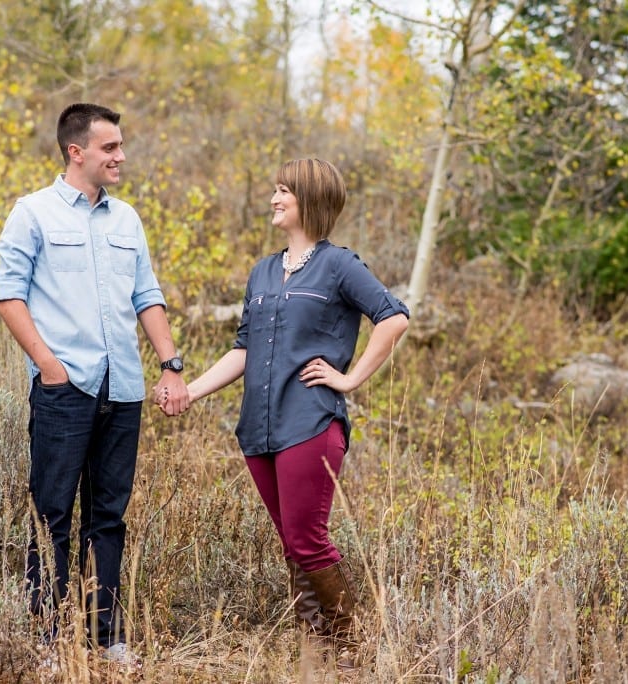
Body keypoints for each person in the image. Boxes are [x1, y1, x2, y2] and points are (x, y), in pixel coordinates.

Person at [157, 158, 408, 668]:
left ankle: (353, 654)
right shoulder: (264, 271)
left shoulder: (339, 266)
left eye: (284, 192)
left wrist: (350, 378)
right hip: (259, 429)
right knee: (293, 545)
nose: (274, 199)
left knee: (308, 541)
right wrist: (192, 392)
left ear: (309, 201)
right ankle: (315, 655)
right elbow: (244, 350)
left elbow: (394, 317)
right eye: (275, 190)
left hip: (310, 425)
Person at [0, 102, 189, 667]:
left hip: (123, 389)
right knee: (51, 515)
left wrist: (170, 365)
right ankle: (48, 641)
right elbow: (8, 295)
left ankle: (105, 638)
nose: (121, 156)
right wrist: (48, 368)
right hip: (64, 390)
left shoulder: (127, 220)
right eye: (110, 148)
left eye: (121, 146)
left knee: (108, 516)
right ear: (76, 152)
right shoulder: (32, 214)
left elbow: (147, 296)